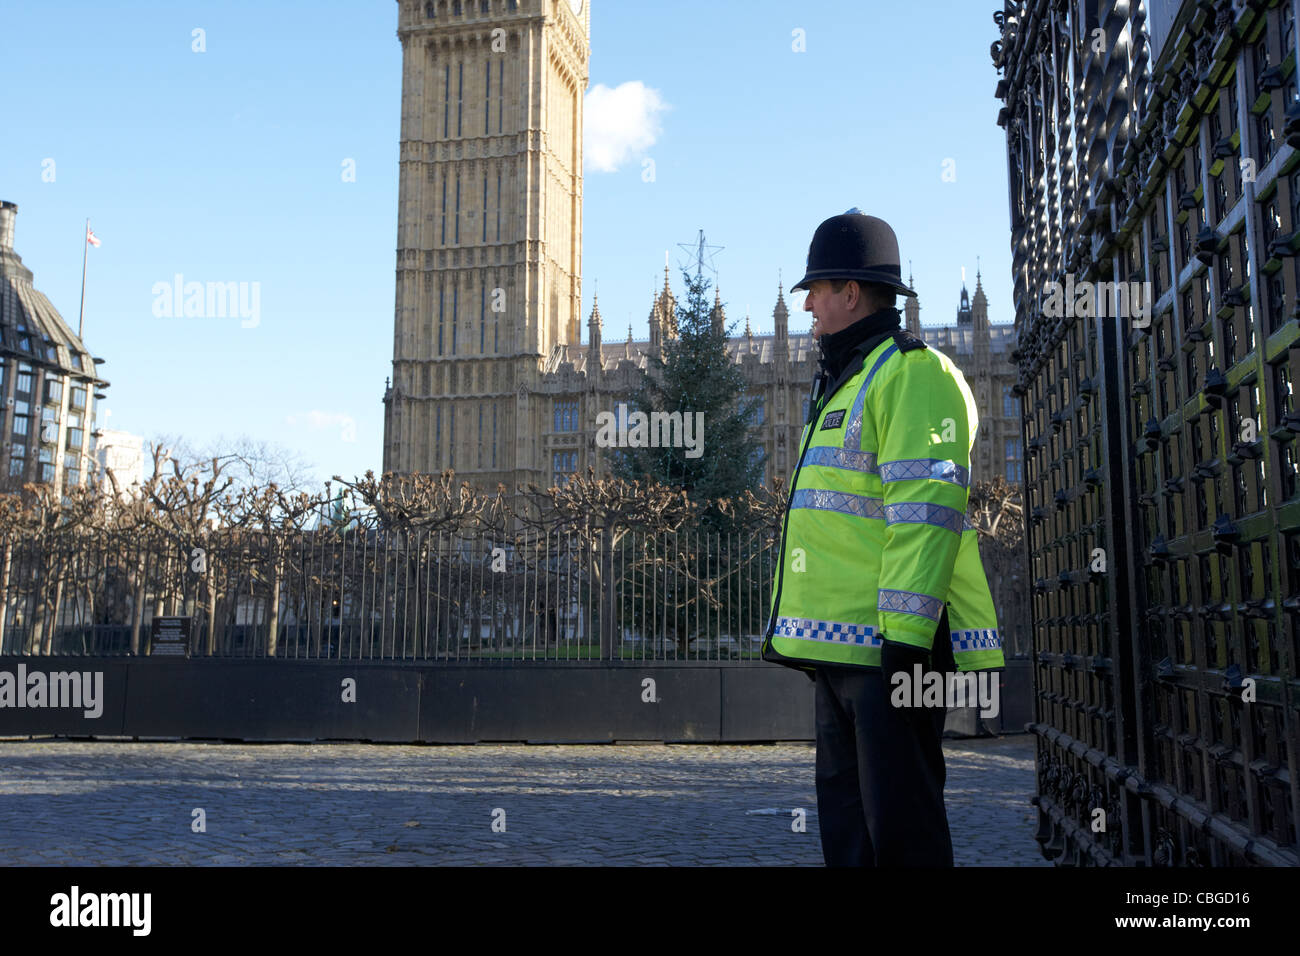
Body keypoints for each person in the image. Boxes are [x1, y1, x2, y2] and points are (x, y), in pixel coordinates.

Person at [762, 211, 1005, 867]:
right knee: (849, 834)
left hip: (894, 657)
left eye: (816, 288)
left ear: (851, 291)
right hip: (841, 653)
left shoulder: (911, 373)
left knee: (902, 831)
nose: (807, 303)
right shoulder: (842, 379)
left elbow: (926, 512)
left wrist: (906, 646)